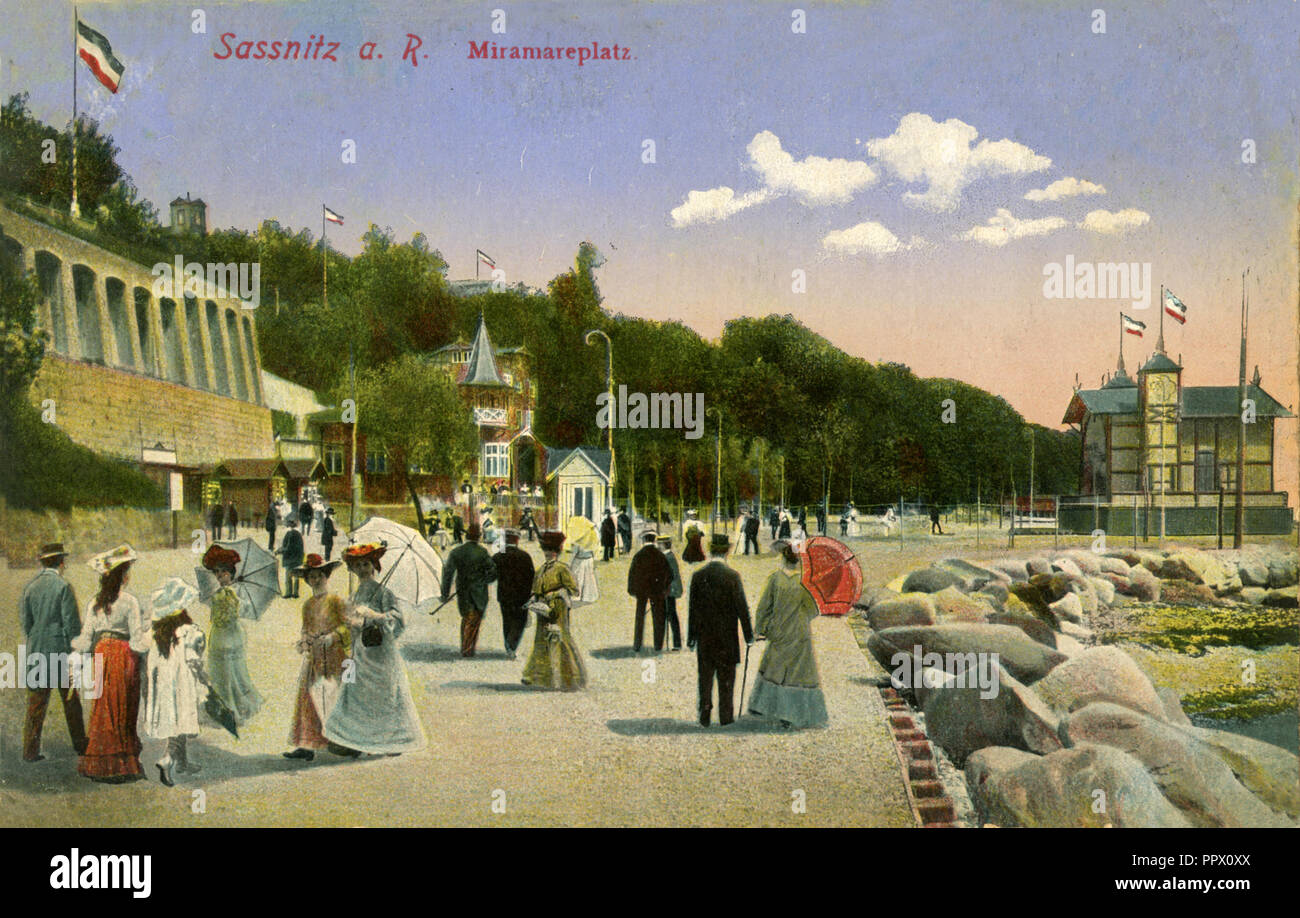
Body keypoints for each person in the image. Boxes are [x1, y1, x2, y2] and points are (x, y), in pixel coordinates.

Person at [324, 543, 426, 756]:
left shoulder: (384, 592)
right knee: (354, 693)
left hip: (380, 654)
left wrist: (375, 615)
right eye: (358, 565)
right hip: (360, 652)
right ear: (352, 569)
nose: (362, 569)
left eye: (366, 564)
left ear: (374, 566)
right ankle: (354, 741)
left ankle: (389, 741)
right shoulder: (353, 595)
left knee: (383, 695)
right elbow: (351, 625)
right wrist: (354, 622)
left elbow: (398, 620)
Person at [72, 544, 149, 782]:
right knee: (124, 707)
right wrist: (150, 636)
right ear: (122, 576)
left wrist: (76, 655)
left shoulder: (95, 602)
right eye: (127, 570)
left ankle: (100, 761)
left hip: (101, 654)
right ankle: (123, 763)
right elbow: (136, 640)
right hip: (123, 655)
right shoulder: (129, 602)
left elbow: (85, 638)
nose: (129, 575)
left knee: (103, 708)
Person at [747, 542, 829, 729]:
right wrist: (801, 617)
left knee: (773, 668)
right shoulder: (804, 583)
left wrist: (760, 628)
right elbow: (813, 610)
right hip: (799, 632)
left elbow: (763, 608)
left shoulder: (775, 579)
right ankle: (791, 713)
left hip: (779, 630)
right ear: (799, 561)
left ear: (782, 558)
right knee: (797, 674)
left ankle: (762, 705)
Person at [20, 543, 87, 762]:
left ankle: (30, 751)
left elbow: (26, 623)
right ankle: (80, 744)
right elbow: (72, 625)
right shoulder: (63, 586)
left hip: (37, 650)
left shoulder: (31, 587)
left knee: (37, 702)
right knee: (70, 700)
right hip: (60, 652)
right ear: (61, 562)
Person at [144, 578, 212, 786]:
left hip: (163, 686)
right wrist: (204, 679)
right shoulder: (189, 632)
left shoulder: (155, 634)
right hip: (181, 685)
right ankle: (168, 759)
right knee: (180, 722)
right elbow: (194, 661)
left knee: (174, 723)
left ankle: (182, 762)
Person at [284, 555, 349, 761]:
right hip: (314, 658)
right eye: (311, 577)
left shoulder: (336, 601)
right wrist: (303, 641)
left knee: (333, 697)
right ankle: (306, 744)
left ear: (326, 576)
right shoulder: (308, 604)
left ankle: (340, 741)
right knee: (308, 699)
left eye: (319, 575)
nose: (316, 579)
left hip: (334, 657)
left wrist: (333, 636)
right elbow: (306, 628)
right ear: (307, 580)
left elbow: (348, 628)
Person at [687, 534, 753, 727]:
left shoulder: (698, 576)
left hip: (705, 637)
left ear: (710, 551)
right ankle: (726, 716)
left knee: (705, 676)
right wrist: (748, 636)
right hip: (727, 638)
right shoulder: (733, 576)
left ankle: (705, 712)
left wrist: (691, 638)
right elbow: (742, 609)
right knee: (726, 678)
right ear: (727, 551)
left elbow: (693, 610)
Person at [202, 543, 263, 725]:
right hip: (219, 633)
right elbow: (214, 615)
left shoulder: (236, 591)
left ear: (231, 573)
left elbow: (244, 609)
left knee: (233, 671)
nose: (221, 576)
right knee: (219, 671)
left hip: (232, 633)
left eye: (224, 572)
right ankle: (221, 705)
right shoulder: (217, 593)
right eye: (217, 573)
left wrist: (235, 602)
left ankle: (235, 706)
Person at [521, 531, 587, 691]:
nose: (547, 554)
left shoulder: (562, 569)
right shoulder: (540, 570)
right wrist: (531, 601)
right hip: (543, 610)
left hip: (558, 609)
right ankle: (537, 676)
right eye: (545, 550)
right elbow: (536, 591)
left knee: (560, 638)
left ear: (556, 552)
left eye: (550, 551)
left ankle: (569, 677)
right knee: (541, 639)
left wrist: (555, 593)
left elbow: (574, 590)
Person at [440, 522, 499, 657]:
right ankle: (467, 649)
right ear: (478, 537)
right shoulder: (482, 552)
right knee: (473, 619)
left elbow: (448, 573)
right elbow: (494, 572)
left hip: (463, 591)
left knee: (468, 618)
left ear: (466, 536)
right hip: (479, 592)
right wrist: (483, 581)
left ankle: (468, 648)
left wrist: (445, 593)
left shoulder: (456, 552)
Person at [627, 531, 673, 652]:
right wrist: (665, 587)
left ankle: (637, 644)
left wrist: (632, 590)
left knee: (640, 616)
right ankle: (658, 645)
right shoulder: (660, 555)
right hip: (657, 590)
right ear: (654, 540)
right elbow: (669, 574)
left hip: (641, 590)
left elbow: (632, 574)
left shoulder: (638, 555)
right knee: (659, 616)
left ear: (643, 541)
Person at [493, 529, 535, 659]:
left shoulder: (498, 556)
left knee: (507, 620)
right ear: (517, 540)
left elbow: (490, 575)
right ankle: (512, 646)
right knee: (519, 621)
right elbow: (531, 576)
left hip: (504, 595)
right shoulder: (525, 556)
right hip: (521, 596)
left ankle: (508, 645)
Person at [658, 534, 684, 652]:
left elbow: (671, 576)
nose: (658, 546)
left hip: (669, 591)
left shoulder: (669, 557)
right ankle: (674, 642)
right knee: (669, 615)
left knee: (671, 616)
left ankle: (677, 643)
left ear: (664, 545)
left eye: (659, 544)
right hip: (667, 590)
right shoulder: (667, 556)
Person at [278, 518, 305, 599]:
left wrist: (279, 551)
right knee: (296, 575)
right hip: (298, 558)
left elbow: (288, 547)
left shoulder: (290, 534)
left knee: (288, 575)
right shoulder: (298, 534)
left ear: (289, 526)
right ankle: (295, 593)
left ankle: (288, 592)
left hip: (290, 559)